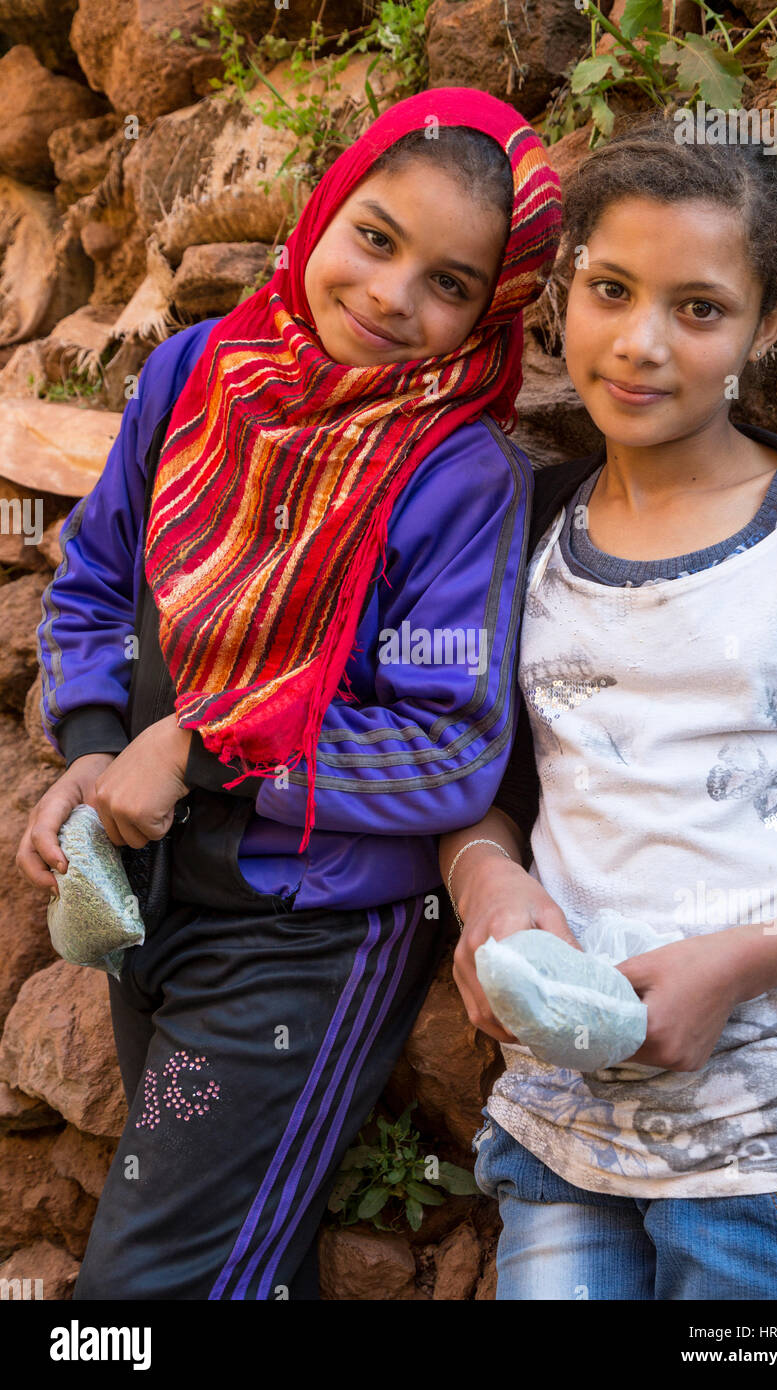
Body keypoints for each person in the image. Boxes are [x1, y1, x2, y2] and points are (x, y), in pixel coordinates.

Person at [19, 86, 562, 1300]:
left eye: (450, 284)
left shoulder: (456, 475)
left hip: (299, 942)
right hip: (148, 901)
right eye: (374, 237)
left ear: (494, 311)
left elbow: (448, 745)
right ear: (322, 210)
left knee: (146, 1295)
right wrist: (98, 750)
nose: (390, 296)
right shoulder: (195, 373)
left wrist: (201, 747)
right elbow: (96, 578)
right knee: (232, 1263)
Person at [440, 109, 777, 1301]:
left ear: (766, 324)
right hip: (559, 1139)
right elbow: (472, 783)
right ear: (562, 286)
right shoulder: (514, 529)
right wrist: (487, 887)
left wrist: (736, 963)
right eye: (611, 289)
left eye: (698, 308)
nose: (639, 344)